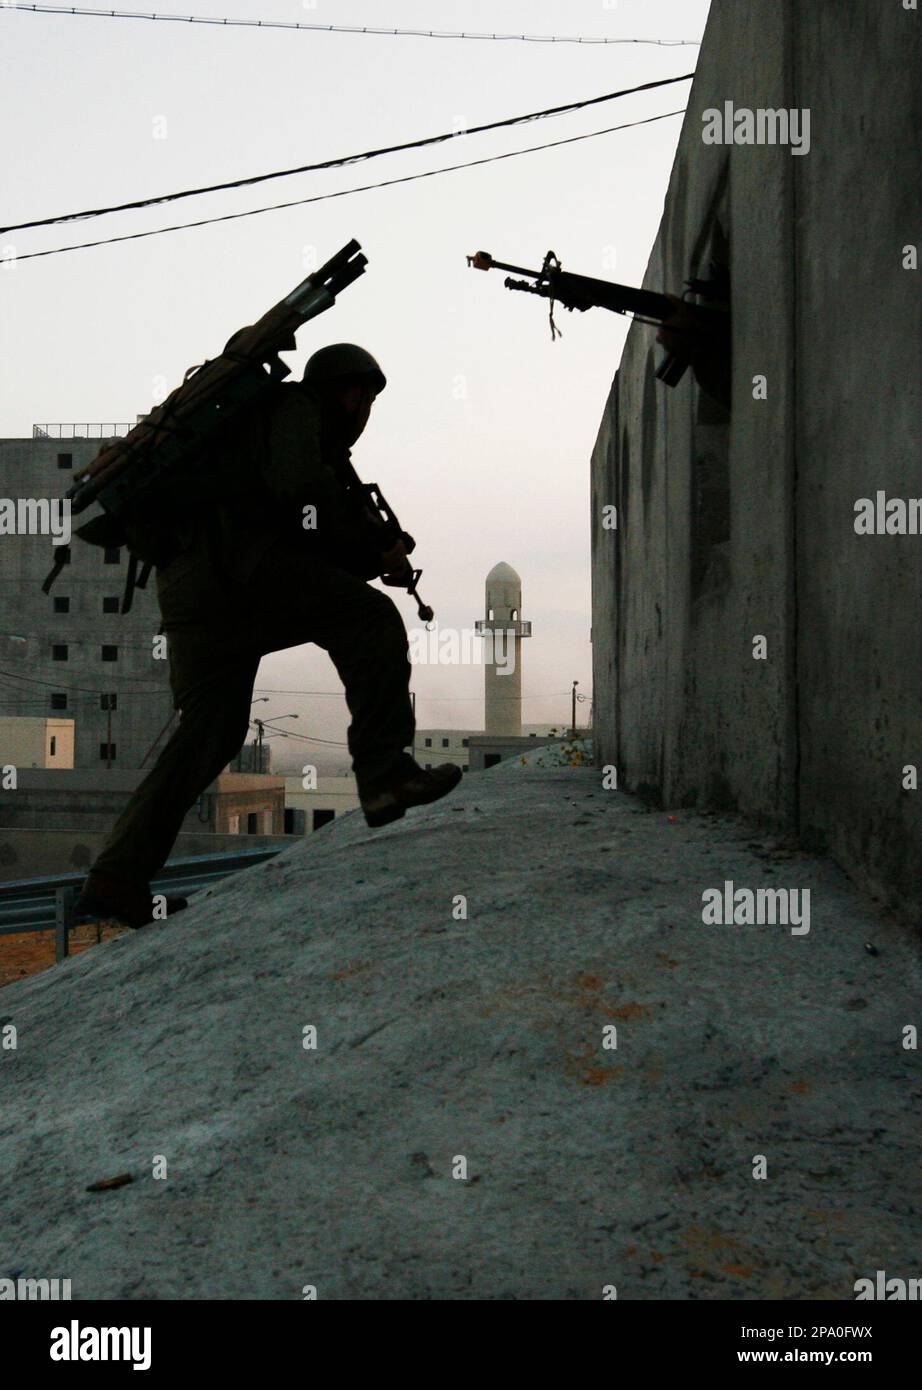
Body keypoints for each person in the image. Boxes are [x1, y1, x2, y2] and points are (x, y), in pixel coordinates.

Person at [76, 343, 461, 928]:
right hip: (237, 574)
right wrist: (364, 546)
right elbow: (300, 494)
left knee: (212, 729)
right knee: (370, 619)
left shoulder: (283, 428)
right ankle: (384, 775)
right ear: (345, 390)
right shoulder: (295, 408)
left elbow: (300, 521)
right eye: (362, 395)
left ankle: (116, 877)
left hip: (196, 590)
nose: (364, 409)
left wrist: (363, 550)